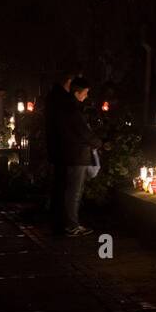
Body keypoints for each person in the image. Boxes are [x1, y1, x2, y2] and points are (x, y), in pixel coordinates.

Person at [59, 77, 100, 236]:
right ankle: (72, 226)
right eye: (85, 93)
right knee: (75, 191)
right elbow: (83, 132)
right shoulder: (73, 110)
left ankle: (69, 223)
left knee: (71, 190)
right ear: (77, 92)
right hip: (77, 155)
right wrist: (97, 142)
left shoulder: (67, 107)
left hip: (71, 154)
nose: (86, 96)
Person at [44, 72, 74, 233]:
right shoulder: (62, 98)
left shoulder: (53, 96)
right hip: (62, 147)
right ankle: (61, 220)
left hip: (56, 146)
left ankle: (57, 217)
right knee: (62, 185)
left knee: (59, 184)